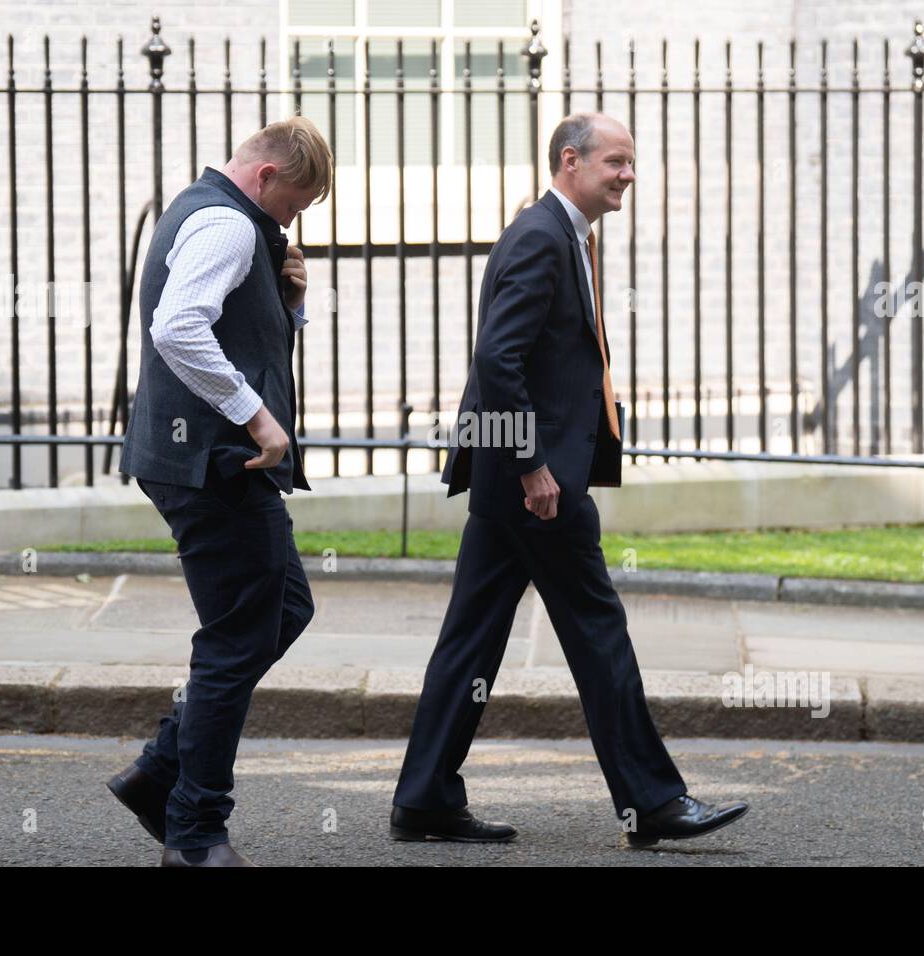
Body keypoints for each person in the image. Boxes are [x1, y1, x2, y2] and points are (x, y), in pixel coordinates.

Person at [389, 112, 750, 848]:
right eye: (616, 161)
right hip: (535, 487)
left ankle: (424, 797)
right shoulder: (540, 237)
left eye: (631, 162)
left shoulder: (564, 236)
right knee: (598, 635)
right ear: (570, 160)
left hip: (513, 484)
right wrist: (532, 467)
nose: (628, 174)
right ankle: (653, 803)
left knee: (470, 643)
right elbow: (499, 360)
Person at [108, 116, 333, 866]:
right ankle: (195, 830)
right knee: (237, 640)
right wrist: (259, 419)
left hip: (202, 461)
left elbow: (234, 330)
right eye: (295, 204)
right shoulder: (229, 226)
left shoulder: (217, 216)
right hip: (214, 464)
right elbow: (180, 328)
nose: (291, 220)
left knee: (284, 609)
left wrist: (290, 301)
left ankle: (162, 770)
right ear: (267, 176)